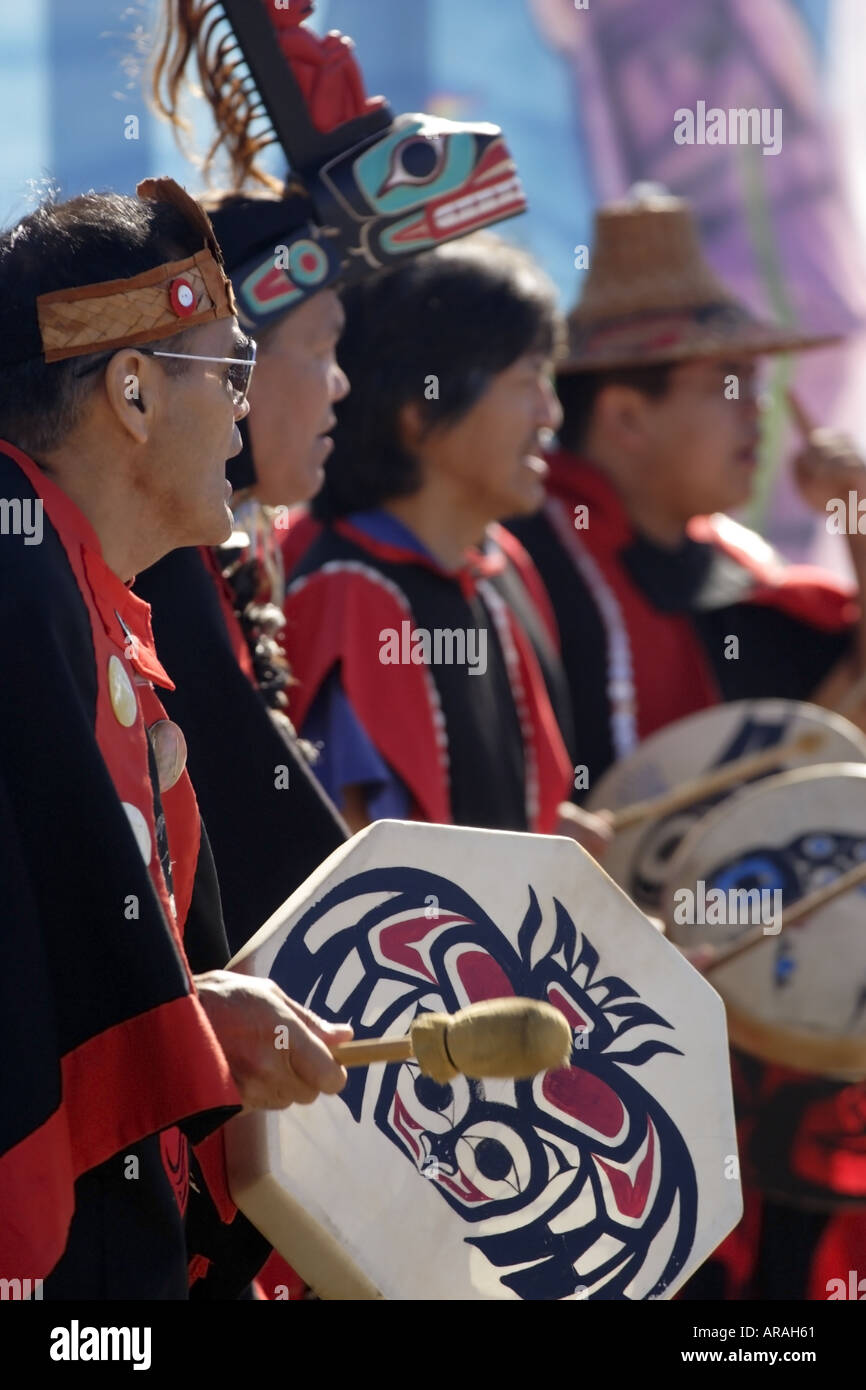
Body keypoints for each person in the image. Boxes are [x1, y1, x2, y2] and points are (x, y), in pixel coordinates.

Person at [506, 187, 866, 1300]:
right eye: (730, 390)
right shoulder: (516, 562)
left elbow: (833, 744)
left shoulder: (741, 575)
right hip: (569, 1049)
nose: (761, 419)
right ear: (621, 417)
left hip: (749, 1055)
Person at [0, 178, 350, 1299]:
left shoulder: (80, 595)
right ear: (135, 393)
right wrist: (182, 1016)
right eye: (230, 373)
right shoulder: (17, 579)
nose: (243, 413)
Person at [282, 236, 608, 849]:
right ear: (419, 408)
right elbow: (364, 869)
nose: (550, 414)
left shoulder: (502, 564)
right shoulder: (351, 597)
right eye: (526, 380)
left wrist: (554, 844)